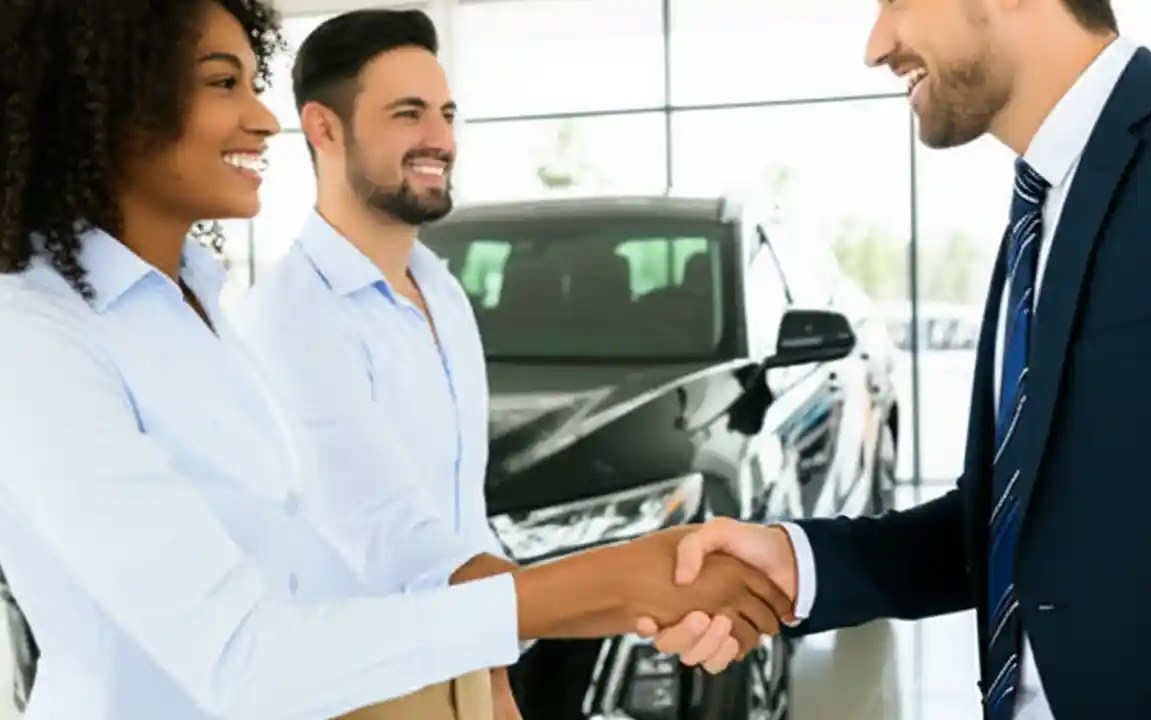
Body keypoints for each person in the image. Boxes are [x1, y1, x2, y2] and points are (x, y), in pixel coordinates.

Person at [0, 1, 792, 718]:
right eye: (222, 83)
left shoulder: (194, 304)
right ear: (103, 100)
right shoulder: (35, 337)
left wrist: (582, 614)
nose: (259, 118)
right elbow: (247, 654)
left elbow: (324, 560)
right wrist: (601, 585)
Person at [643, 0, 1151, 718]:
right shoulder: (1040, 215)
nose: (876, 44)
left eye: (897, 2)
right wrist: (801, 563)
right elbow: (1021, 525)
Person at [229, 9, 511, 717]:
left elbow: (461, 514)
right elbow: (392, 537)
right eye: (408, 114)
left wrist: (498, 681)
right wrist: (613, 592)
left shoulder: (441, 291)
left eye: (446, 113)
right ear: (324, 129)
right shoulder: (293, 318)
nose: (441, 140)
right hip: (362, 690)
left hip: (461, 663)